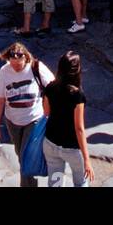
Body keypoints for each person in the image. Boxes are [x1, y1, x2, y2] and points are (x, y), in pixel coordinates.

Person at [0, 42, 54, 188]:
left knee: (27, 159)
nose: (15, 68)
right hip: (13, 122)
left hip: (34, 120)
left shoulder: (36, 67)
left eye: (18, 66)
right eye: (12, 65)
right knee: (21, 157)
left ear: (25, 58)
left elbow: (53, 87)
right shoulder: (4, 71)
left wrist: (48, 112)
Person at [42, 50, 94, 188]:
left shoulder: (50, 87)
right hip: (72, 149)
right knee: (80, 183)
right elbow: (79, 128)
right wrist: (87, 159)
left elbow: (46, 113)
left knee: (55, 184)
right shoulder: (77, 95)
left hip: (51, 143)